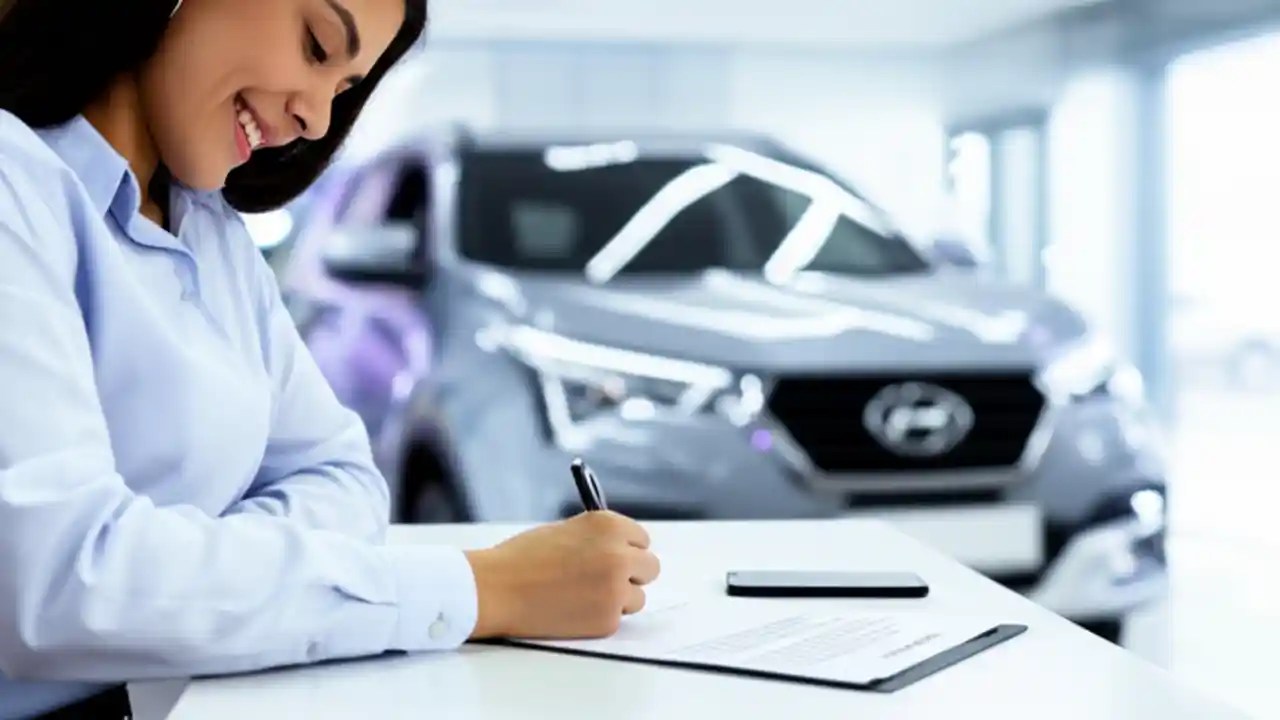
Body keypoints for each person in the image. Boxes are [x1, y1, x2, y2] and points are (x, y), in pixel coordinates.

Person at [0, 1, 661, 717]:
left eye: (345, 89)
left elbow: (342, 477)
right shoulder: (15, 187)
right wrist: (485, 589)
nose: (317, 119)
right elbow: (61, 583)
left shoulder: (211, 234)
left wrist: (179, 580)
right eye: (317, 47)